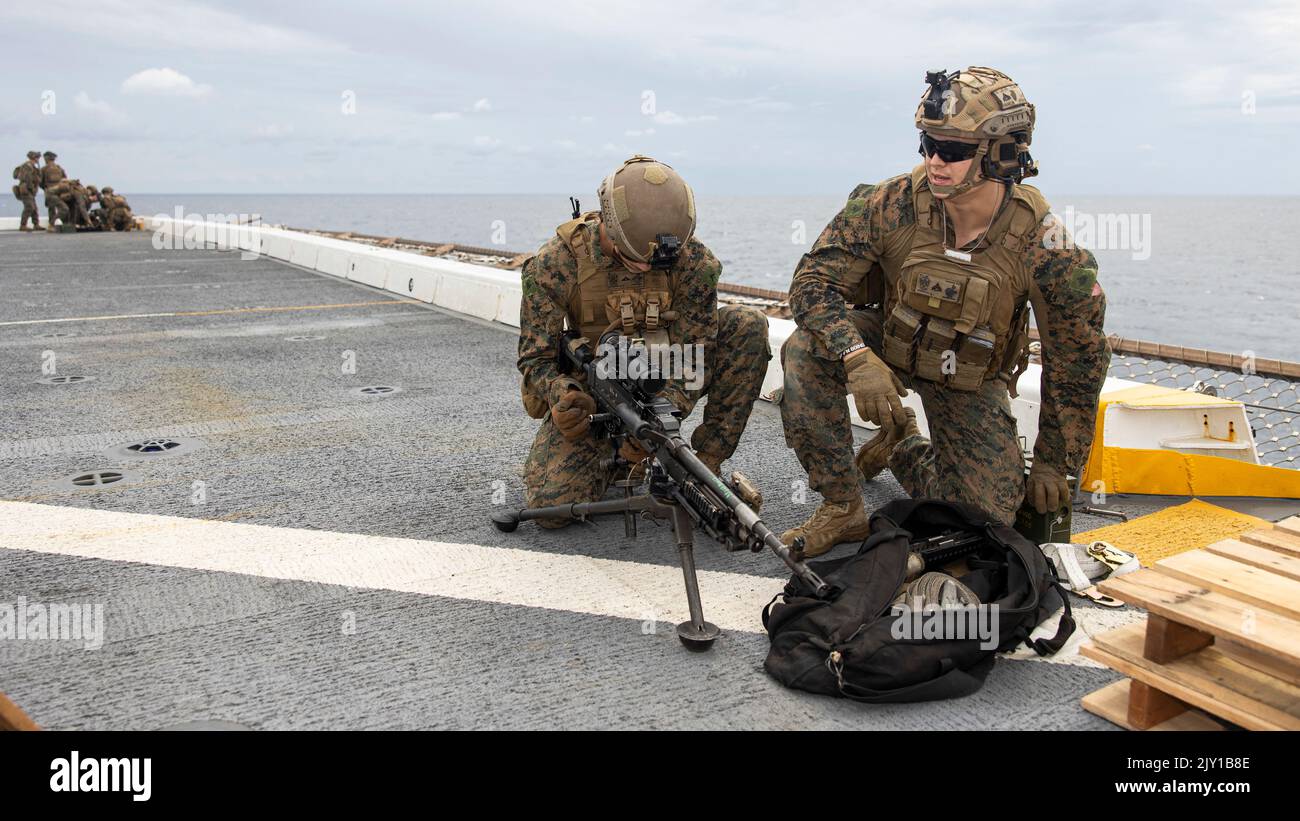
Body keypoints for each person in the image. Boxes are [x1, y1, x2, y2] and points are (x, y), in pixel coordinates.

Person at [779, 67, 1110, 557]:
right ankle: (842, 505)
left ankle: (901, 446)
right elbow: (812, 283)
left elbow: (1078, 359)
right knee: (805, 350)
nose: (936, 161)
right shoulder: (891, 203)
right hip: (887, 347)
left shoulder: (1046, 247)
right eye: (927, 145)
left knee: (984, 523)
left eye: (953, 150)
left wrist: (1052, 463)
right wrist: (855, 356)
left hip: (970, 377)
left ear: (1000, 153)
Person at [517, 155, 770, 527]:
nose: (651, 268)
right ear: (608, 227)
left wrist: (662, 418)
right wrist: (562, 393)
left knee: (747, 324)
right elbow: (534, 358)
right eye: (639, 261)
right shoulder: (555, 263)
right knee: (551, 507)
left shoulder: (692, 260)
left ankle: (705, 465)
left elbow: (696, 352)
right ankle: (617, 459)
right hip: (596, 392)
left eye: (658, 262)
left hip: (663, 376)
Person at [12, 151, 42, 231]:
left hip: (30, 189)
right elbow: (28, 178)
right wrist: (31, 188)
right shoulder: (27, 166)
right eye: (37, 157)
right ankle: (23, 225)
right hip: (26, 189)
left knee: (34, 208)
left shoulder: (32, 166)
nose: (38, 159)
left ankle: (36, 224)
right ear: (33, 158)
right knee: (29, 207)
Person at [39, 151, 67, 231]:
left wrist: (45, 188)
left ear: (46, 159)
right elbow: (64, 178)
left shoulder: (44, 169)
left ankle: (51, 225)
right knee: (61, 207)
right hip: (60, 190)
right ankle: (56, 223)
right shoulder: (59, 168)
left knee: (51, 208)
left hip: (49, 190)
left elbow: (40, 182)